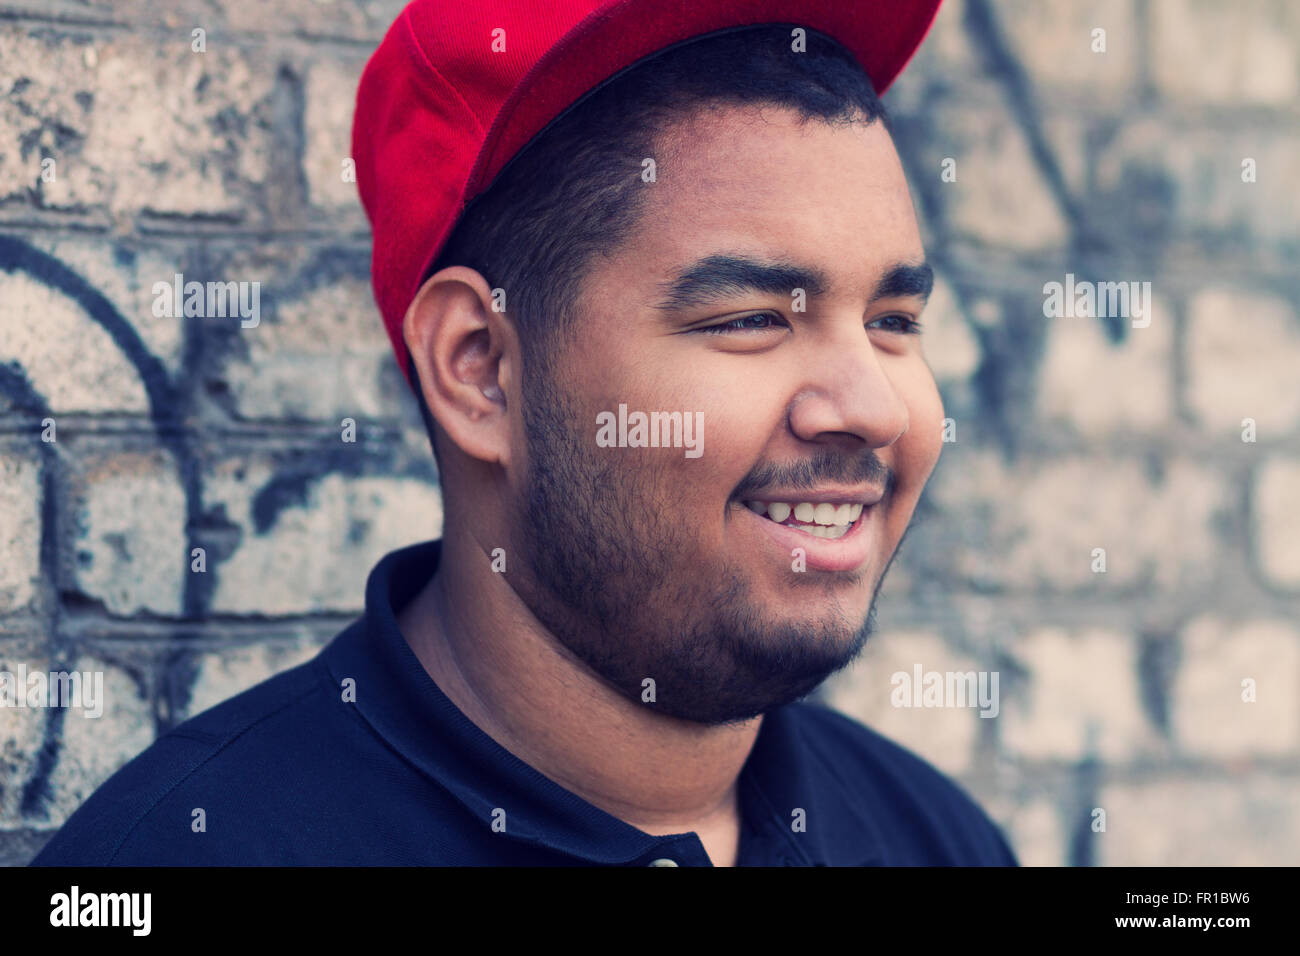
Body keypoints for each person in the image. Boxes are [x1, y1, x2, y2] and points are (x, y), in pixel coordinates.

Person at [32, 0, 1017, 867]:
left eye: (892, 321)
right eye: (750, 318)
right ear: (480, 370)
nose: (876, 406)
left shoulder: (939, 836)